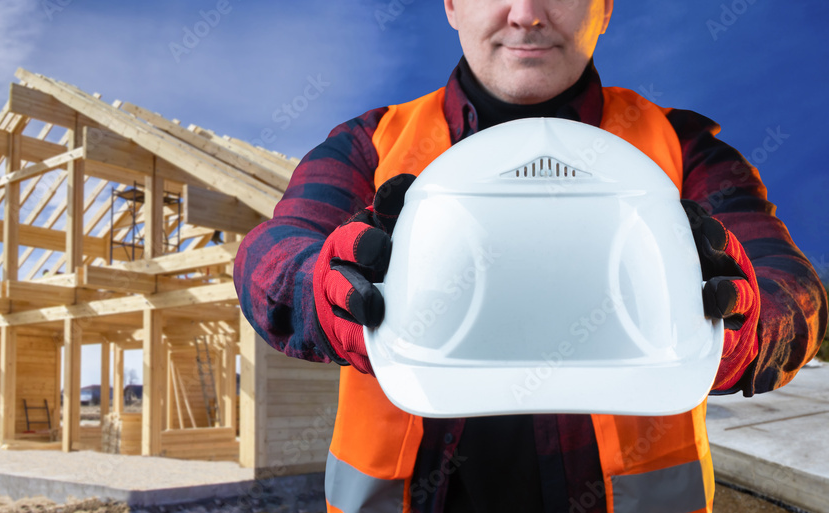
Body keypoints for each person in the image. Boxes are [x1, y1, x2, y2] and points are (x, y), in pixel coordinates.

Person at [233, 1, 828, 511]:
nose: (526, 14)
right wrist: (321, 289)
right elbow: (275, 250)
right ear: (451, 5)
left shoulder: (682, 148)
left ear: (604, 7)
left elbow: (789, 283)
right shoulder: (372, 144)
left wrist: (746, 327)